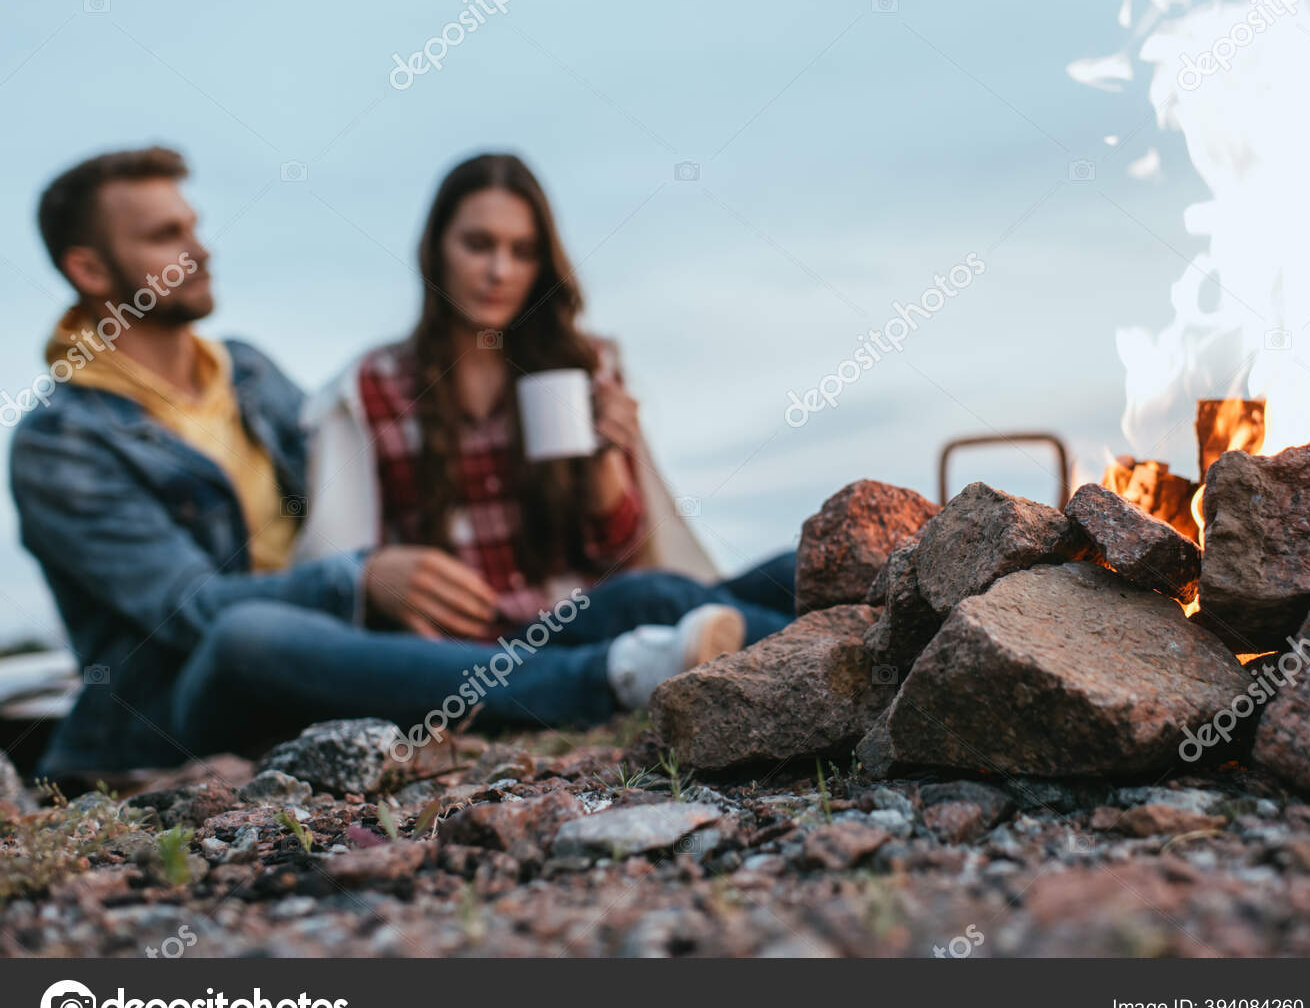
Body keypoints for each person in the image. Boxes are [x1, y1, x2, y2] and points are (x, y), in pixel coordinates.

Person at [10, 147, 793, 778]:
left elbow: (337, 501)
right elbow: (189, 614)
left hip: (360, 655)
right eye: (164, 236)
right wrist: (361, 577)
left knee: (648, 592)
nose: (200, 248)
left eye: (193, 225)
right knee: (250, 633)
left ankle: (855, 635)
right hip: (189, 701)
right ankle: (610, 680)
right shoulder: (62, 442)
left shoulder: (248, 376)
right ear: (89, 270)